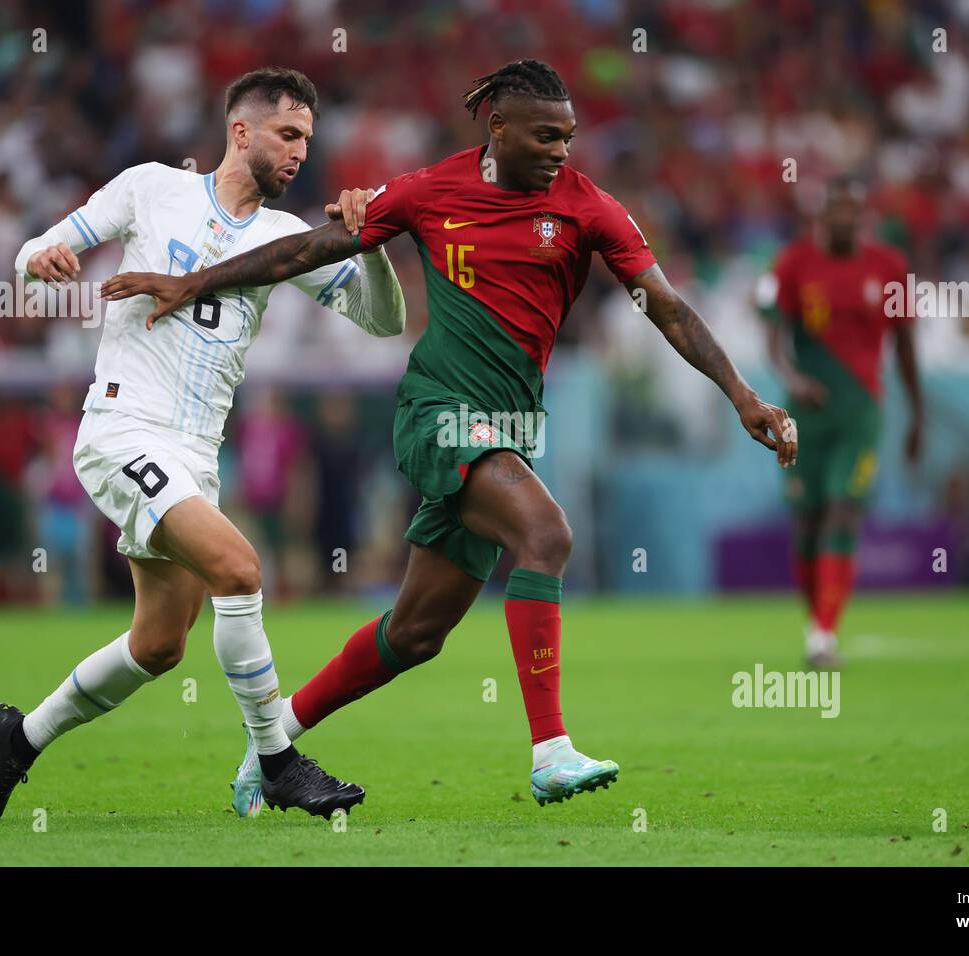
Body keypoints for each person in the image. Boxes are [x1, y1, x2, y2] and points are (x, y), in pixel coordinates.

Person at [102, 59, 795, 809]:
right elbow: (310, 249)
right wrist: (197, 281)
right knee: (549, 536)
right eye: (545, 135)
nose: (561, 150)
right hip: (437, 415)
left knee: (415, 633)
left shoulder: (590, 208)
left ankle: (270, 749)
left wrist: (742, 394)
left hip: (509, 428)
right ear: (497, 126)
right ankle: (550, 751)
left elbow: (667, 307)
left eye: (567, 136)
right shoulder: (432, 190)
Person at [0, 67, 406, 822]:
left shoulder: (283, 239)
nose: (302, 151)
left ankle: (22, 738)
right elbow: (39, 248)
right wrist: (36, 259)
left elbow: (384, 321)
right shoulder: (150, 188)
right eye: (288, 134)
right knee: (240, 567)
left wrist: (369, 244)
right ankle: (276, 761)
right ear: (241, 132)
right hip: (123, 429)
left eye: (309, 137)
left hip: (194, 454)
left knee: (159, 644)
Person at [762, 178, 923, 668]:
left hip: (861, 411)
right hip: (804, 413)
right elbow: (773, 337)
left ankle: (824, 635)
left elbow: (907, 347)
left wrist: (918, 414)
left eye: (854, 211)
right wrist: (792, 376)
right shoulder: (792, 263)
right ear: (822, 216)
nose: (845, 220)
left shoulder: (889, 267)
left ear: (864, 216)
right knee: (806, 523)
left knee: (842, 510)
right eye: (836, 211)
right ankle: (818, 626)